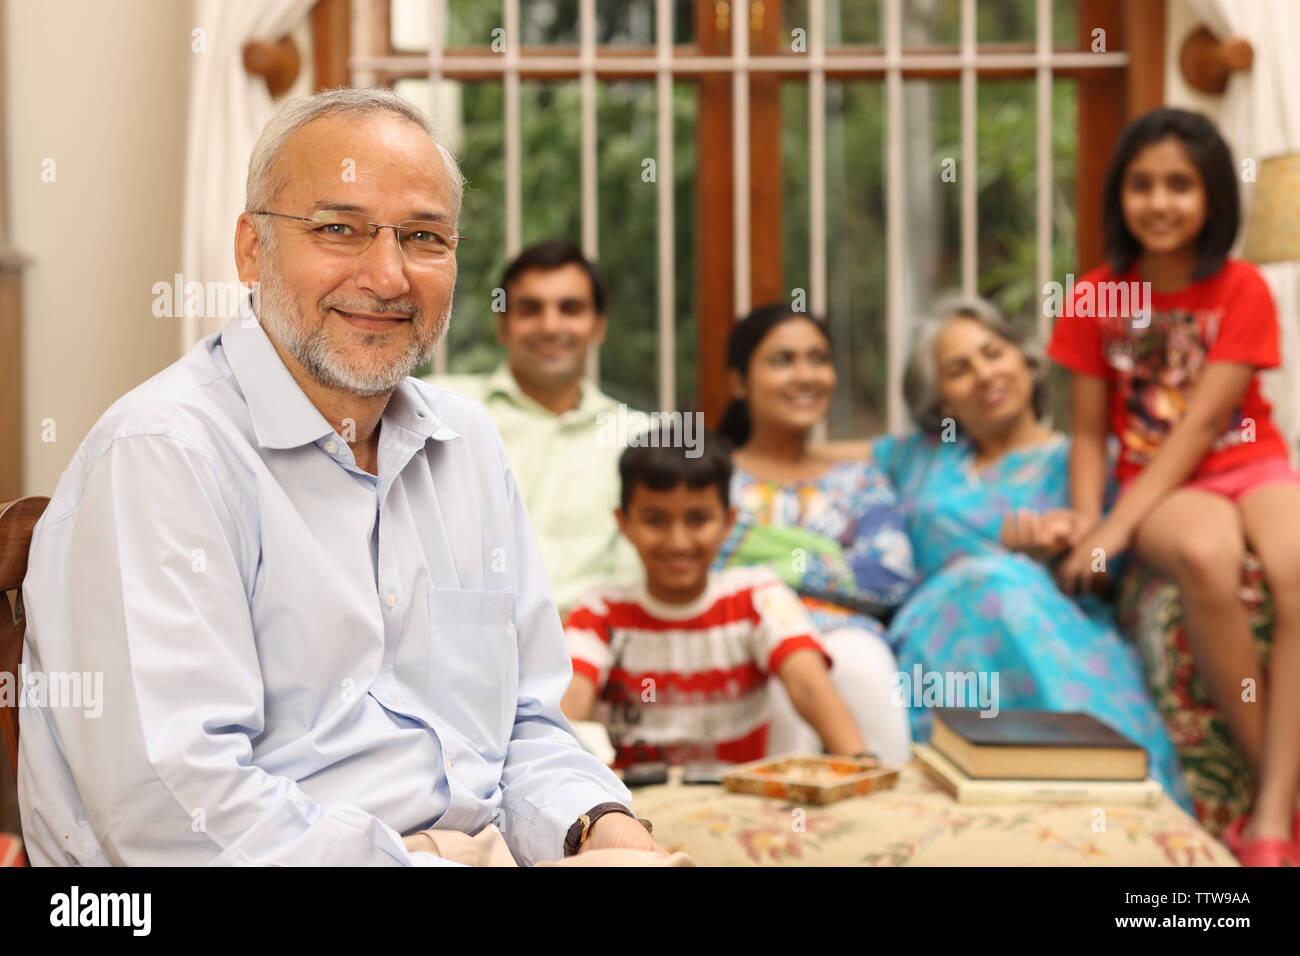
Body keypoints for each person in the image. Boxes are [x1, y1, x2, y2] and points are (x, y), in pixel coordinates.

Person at [17, 88, 666, 866]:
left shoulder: (470, 445)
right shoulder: (162, 456)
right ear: (252, 249)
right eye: (339, 229)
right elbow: (176, 812)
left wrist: (601, 828)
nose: (388, 276)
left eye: (423, 237)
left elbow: (526, 722)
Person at [1049, 108, 1300, 866]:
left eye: (1180, 185)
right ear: (1119, 195)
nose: (1160, 202)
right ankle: (1274, 807)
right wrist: (1092, 522)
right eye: (1142, 184)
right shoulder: (1095, 296)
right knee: (1204, 555)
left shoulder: (1243, 288)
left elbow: (1201, 426)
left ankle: (1271, 808)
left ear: (1214, 196)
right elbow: (1090, 432)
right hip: (1160, 483)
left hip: (1244, 458)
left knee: (1295, 570)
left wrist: (1114, 535)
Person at [869, 296, 1188, 809]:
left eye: (993, 353)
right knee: (991, 580)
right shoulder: (920, 456)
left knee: (1004, 582)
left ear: (1023, 359)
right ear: (942, 401)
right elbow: (805, 460)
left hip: (1052, 632)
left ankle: (1113, 806)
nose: (984, 374)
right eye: (958, 369)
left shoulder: (1082, 461)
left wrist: (1064, 558)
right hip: (935, 638)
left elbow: (1112, 575)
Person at [560, 430, 870, 767]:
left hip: (739, 805)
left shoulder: (757, 596)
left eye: (697, 519)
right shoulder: (599, 610)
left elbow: (809, 686)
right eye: (655, 520)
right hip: (628, 812)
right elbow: (570, 704)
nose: (678, 542)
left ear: (729, 522)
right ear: (623, 523)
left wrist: (862, 765)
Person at [713, 304, 915, 766]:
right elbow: (697, 568)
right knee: (780, 674)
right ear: (739, 382)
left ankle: (890, 816)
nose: (806, 375)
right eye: (783, 360)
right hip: (737, 638)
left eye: (818, 359)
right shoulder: (710, 478)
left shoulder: (858, 481)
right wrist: (831, 553)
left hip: (849, 640)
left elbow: (891, 574)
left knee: (863, 665)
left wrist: (761, 561)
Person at [430, 240, 640, 614]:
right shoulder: (440, 409)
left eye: (570, 309)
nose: (550, 325)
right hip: (457, 646)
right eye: (530, 309)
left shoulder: (638, 437)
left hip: (591, 655)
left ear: (599, 327)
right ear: (503, 326)